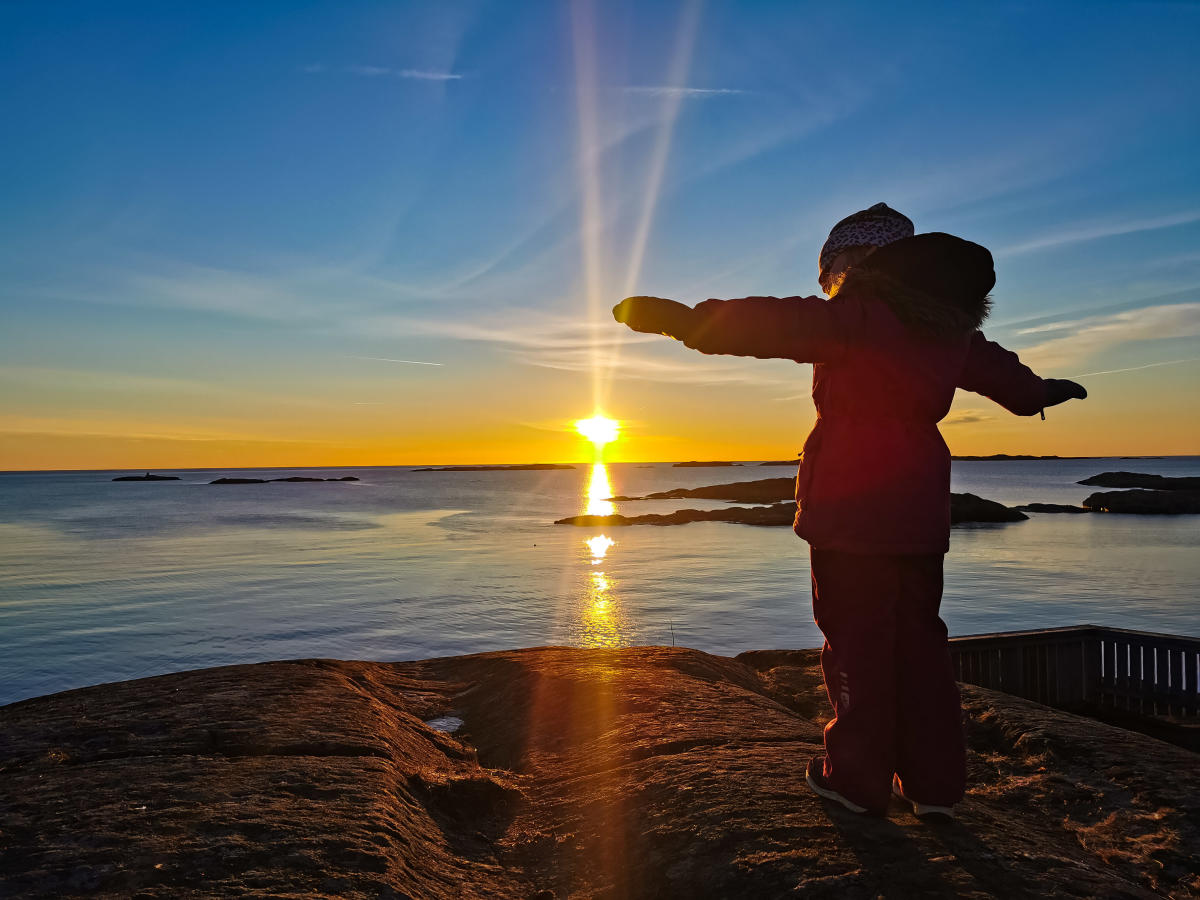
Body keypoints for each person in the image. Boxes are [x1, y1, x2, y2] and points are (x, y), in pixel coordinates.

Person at [612, 207, 1087, 819]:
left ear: (859, 262)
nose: (826, 284)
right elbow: (1014, 387)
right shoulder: (950, 331)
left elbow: (763, 325)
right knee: (920, 643)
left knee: (856, 642)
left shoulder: (856, 318)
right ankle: (935, 786)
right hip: (918, 504)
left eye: (830, 271)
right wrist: (1047, 390)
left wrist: (677, 320)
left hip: (849, 502)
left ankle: (856, 781)